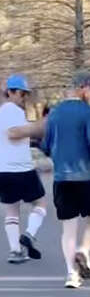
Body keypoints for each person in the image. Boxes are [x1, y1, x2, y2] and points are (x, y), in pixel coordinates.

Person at [39, 71, 90, 289]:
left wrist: (59, 158)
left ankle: (72, 275)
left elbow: (45, 145)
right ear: (82, 87)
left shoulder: (54, 113)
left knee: (68, 229)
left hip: (62, 178)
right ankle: (83, 250)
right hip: (88, 176)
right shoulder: (89, 113)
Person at [1, 74, 48, 264]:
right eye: (22, 93)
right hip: (22, 169)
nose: (24, 98)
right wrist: (37, 127)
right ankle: (29, 234)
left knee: (12, 210)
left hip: (3, 169)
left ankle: (15, 251)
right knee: (41, 204)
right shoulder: (13, 111)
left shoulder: (3, 111)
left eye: (26, 94)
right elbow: (14, 133)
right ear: (11, 92)